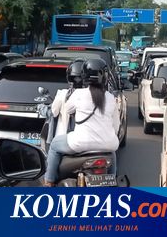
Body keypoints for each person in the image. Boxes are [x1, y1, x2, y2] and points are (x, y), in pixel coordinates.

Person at [44, 58, 120, 186]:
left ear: (84, 75)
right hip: (108, 144)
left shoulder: (79, 94)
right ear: (105, 77)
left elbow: (68, 110)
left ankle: (49, 181)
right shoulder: (111, 98)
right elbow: (116, 127)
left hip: (80, 143)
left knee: (54, 146)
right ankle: (112, 182)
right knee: (112, 154)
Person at [49, 59, 86, 140]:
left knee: (52, 150)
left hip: (64, 138)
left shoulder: (63, 94)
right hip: (86, 139)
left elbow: (54, 112)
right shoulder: (91, 95)